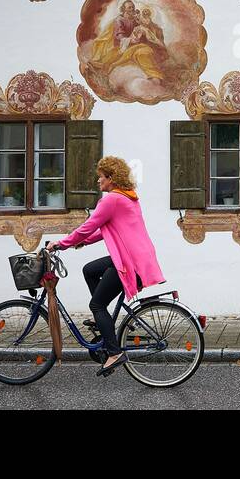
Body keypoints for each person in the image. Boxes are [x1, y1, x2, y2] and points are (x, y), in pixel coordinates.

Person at [47, 156, 165, 375]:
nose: (98, 181)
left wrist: (61, 244)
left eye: (100, 177)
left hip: (129, 262)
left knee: (97, 305)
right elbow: (102, 230)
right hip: (136, 258)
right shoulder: (127, 198)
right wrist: (79, 243)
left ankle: (114, 352)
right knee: (89, 270)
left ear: (110, 178)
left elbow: (88, 226)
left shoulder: (112, 200)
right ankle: (105, 324)